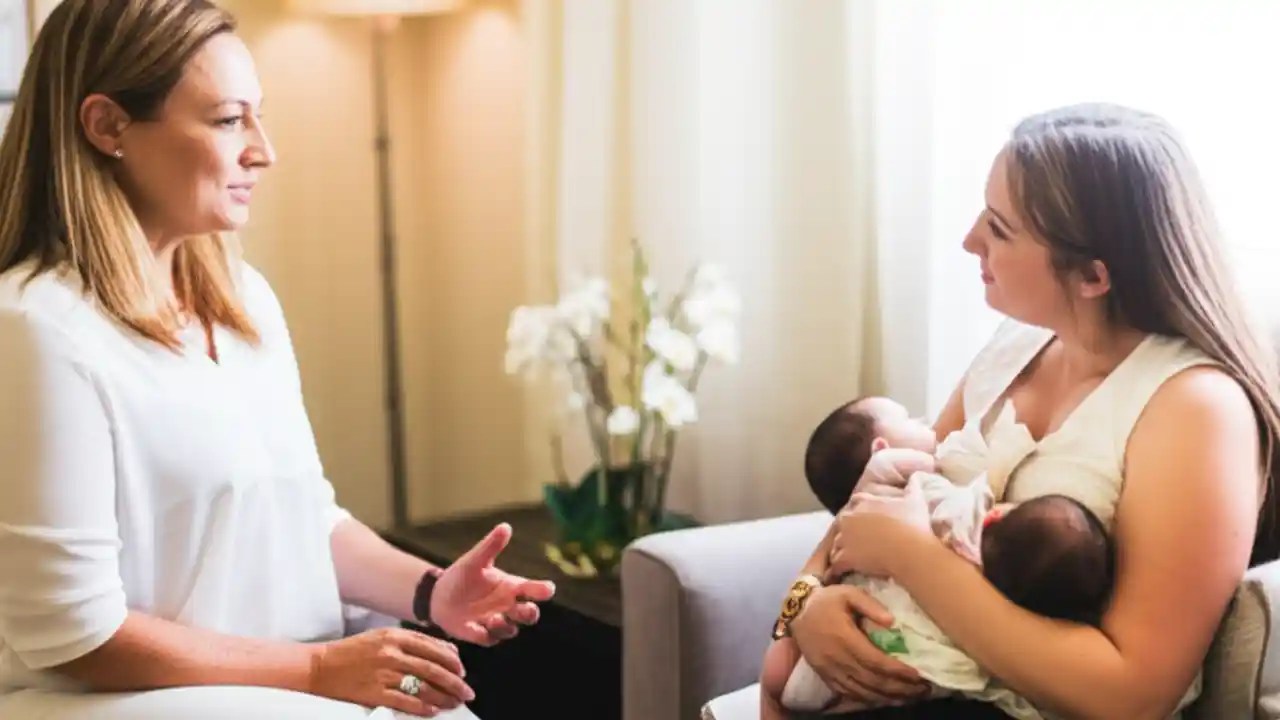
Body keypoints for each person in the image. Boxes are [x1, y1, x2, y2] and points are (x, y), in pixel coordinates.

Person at [0, 2, 555, 718]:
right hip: (123, 696)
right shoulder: (35, 330)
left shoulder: (242, 299)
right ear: (107, 125)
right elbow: (76, 635)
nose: (263, 149)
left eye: (257, 117)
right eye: (230, 119)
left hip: (283, 670)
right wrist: (322, 668)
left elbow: (302, 514)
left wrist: (431, 591)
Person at [762, 103, 1280, 719]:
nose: (968, 241)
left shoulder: (1194, 409)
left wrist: (912, 560)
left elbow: (1132, 694)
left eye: (999, 229)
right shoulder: (1015, 345)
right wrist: (807, 606)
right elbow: (882, 502)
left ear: (1092, 276)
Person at [760, 398, 1113, 719]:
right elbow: (838, 535)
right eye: (911, 418)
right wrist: (802, 606)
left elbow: (1127, 700)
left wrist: (904, 552)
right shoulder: (1000, 359)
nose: (927, 423)